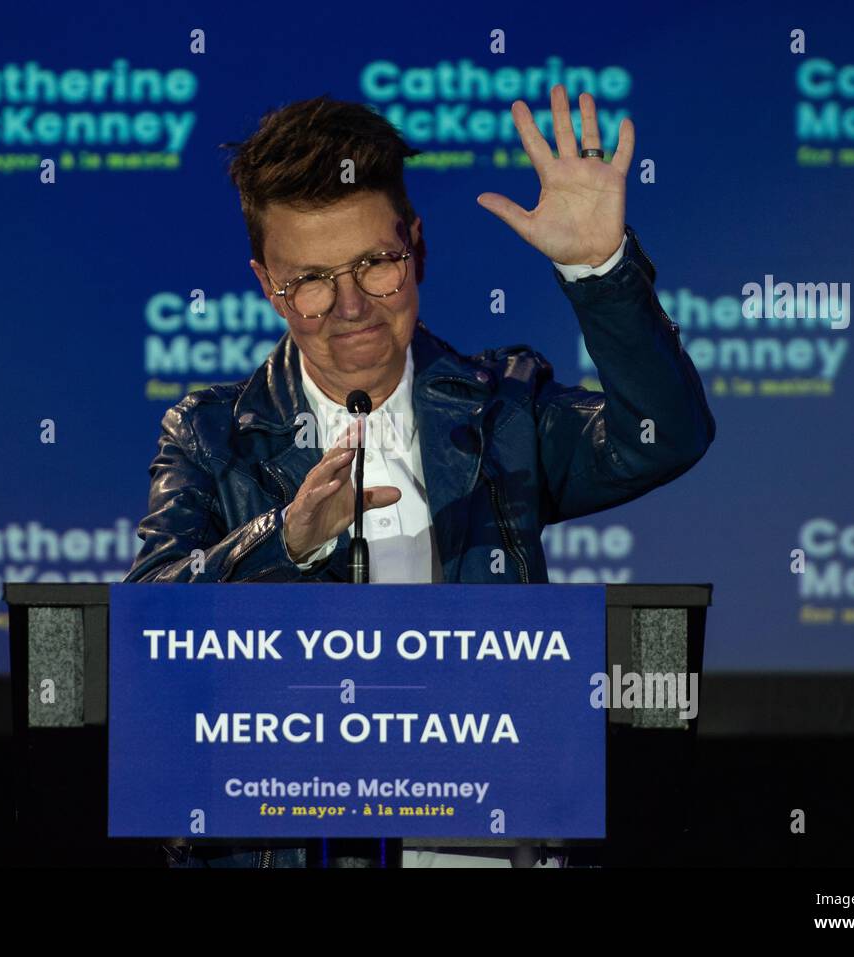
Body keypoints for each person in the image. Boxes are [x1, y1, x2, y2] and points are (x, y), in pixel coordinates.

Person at [128, 87, 715, 866]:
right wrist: (287, 540)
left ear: (418, 246)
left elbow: (664, 435)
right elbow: (146, 630)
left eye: (376, 264)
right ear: (266, 285)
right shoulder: (209, 435)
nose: (350, 308)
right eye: (309, 280)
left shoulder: (505, 409)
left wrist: (598, 270)